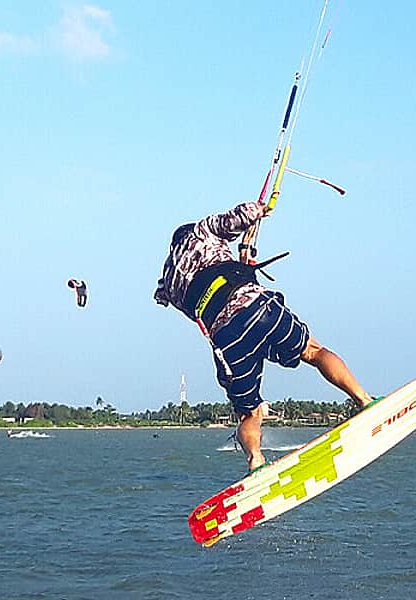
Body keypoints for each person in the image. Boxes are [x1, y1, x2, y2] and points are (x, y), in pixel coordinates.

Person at [154, 201, 373, 471]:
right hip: (259, 308)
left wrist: (243, 257)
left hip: (226, 340)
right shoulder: (201, 232)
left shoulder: (171, 280)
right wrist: (261, 209)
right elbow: (241, 216)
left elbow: (181, 294)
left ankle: (255, 459)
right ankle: (364, 400)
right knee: (313, 352)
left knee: (250, 412)